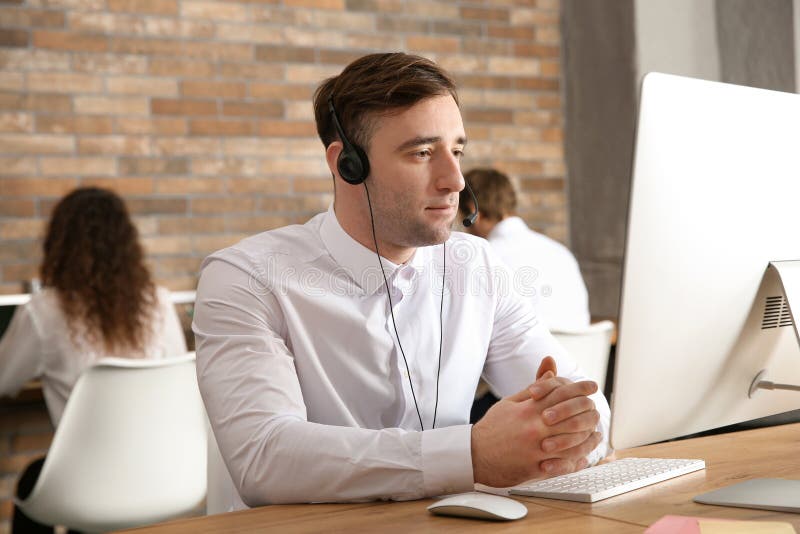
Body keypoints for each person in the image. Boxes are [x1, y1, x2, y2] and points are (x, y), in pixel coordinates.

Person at [193, 52, 610, 510]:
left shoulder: (476, 265)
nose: (454, 180)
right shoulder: (245, 278)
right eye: (422, 153)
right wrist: (470, 455)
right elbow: (264, 460)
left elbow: (585, 405)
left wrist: (571, 427)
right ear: (347, 165)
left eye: (457, 151)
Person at [0, 186, 187, 533]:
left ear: (60, 244)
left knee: (35, 480)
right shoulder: (159, 304)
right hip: (161, 477)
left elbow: (3, 380)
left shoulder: (44, 312)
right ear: (126, 245)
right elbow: (178, 383)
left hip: (84, 489)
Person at [459, 168, 591, 332]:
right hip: (582, 355)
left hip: (526, 355)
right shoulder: (561, 253)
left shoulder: (484, 259)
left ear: (473, 212)